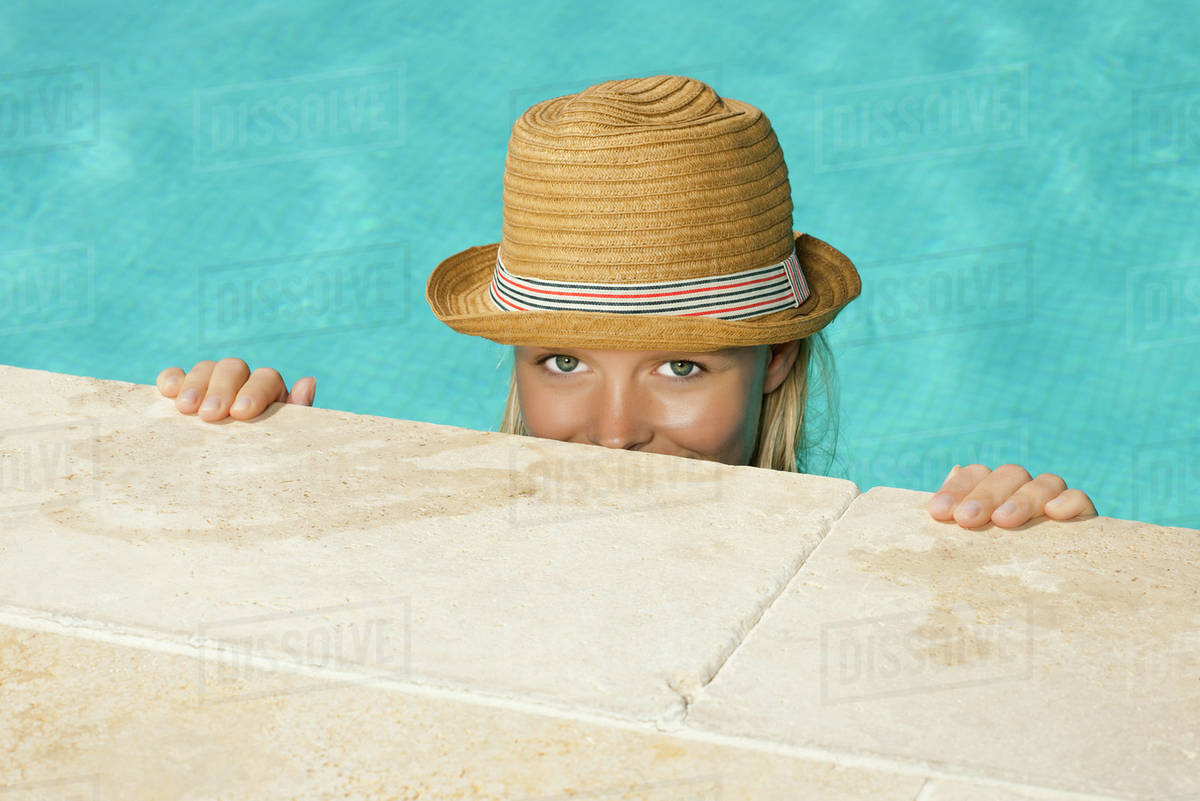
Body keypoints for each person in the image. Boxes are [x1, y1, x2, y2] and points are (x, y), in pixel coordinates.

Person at [156, 75, 1096, 530]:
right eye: (562, 362)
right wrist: (254, 476)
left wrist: (1016, 534)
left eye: (681, 366)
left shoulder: (846, 564)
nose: (614, 431)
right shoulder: (438, 535)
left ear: (779, 362)